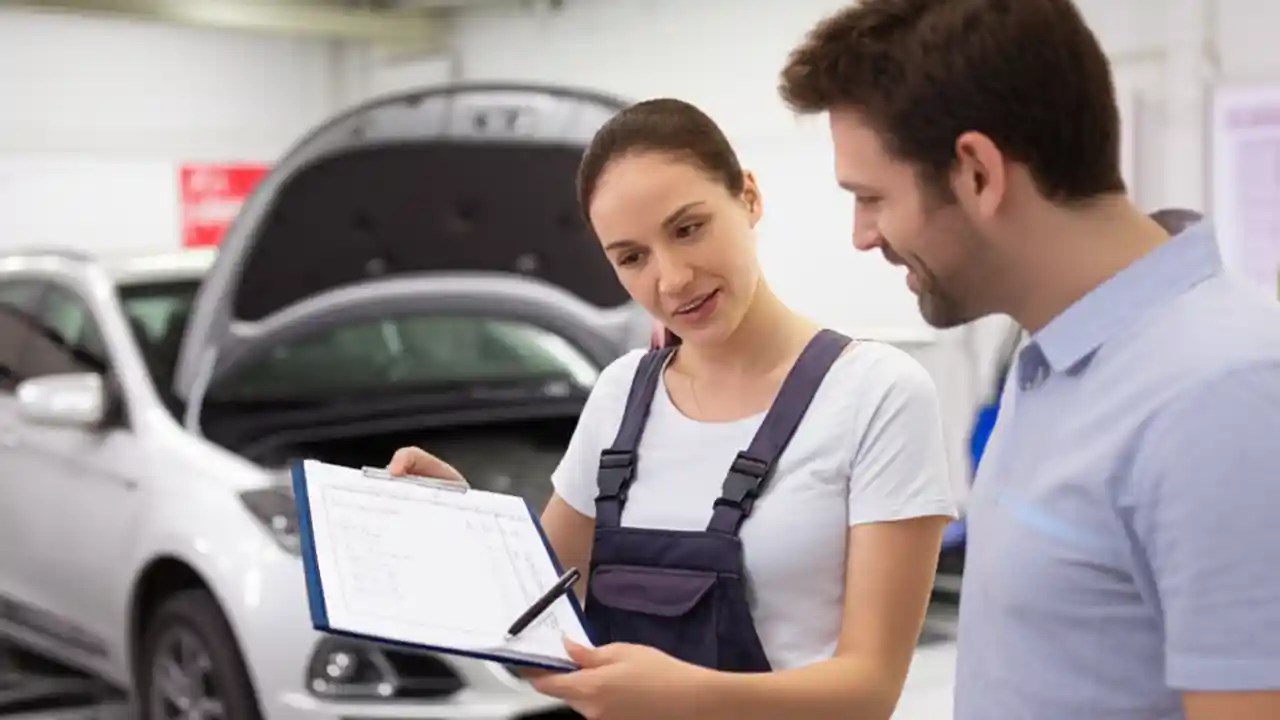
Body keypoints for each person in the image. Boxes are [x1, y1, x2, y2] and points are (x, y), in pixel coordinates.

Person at [778, 1, 1280, 719]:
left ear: (977, 172)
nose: (862, 236)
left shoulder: (1222, 397)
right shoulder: (1055, 353)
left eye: (871, 198)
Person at [387, 98, 956, 719]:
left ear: (748, 198)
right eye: (633, 257)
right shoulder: (621, 394)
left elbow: (868, 692)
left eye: (688, 228)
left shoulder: (876, 393)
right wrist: (467, 526)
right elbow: (534, 632)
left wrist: (683, 697)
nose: (674, 279)